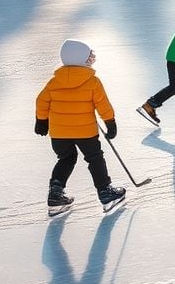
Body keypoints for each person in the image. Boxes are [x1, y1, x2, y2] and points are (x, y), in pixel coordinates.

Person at [35, 39, 126, 216]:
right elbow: (103, 104)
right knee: (94, 158)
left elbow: (41, 101)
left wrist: (41, 121)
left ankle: (55, 194)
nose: (91, 59)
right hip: (86, 133)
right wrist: (110, 122)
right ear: (82, 59)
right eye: (88, 57)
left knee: (66, 159)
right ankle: (105, 192)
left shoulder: (54, 82)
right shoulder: (92, 81)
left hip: (59, 134)